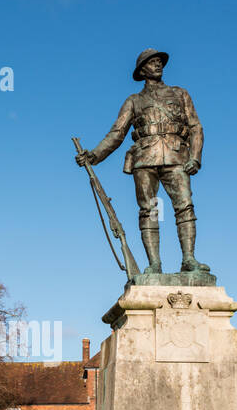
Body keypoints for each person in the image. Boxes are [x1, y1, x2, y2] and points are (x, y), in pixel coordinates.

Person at [74, 48, 209, 277]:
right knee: (149, 211)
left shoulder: (180, 94)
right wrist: (94, 155)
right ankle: (154, 265)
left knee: (185, 206)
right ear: (142, 70)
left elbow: (196, 127)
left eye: (159, 62)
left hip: (177, 156)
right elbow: (117, 133)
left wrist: (195, 157)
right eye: (152, 62)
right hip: (145, 159)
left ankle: (188, 259)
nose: (158, 65)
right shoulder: (134, 101)